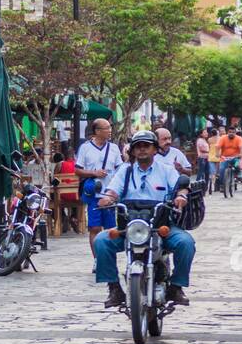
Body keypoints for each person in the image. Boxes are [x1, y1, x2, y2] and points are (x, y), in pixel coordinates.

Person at [93, 130, 195, 311]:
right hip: (130, 227)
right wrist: (107, 198)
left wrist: (181, 197)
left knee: (186, 242)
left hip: (160, 225)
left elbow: (181, 187)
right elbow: (112, 191)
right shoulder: (124, 171)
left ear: (155, 149)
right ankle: (114, 288)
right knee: (101, 241)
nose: (142, 150)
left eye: (146, 146)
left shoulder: (166, 170)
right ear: (132, 151)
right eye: (138, 146)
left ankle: (176, 287)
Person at [75, 118, 124, 262]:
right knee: (94, 228)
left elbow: (119, 169)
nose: (110, 131)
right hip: (93, 195)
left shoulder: (114, 148)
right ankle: (97, 260)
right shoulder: (85, 148)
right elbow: (78, 170)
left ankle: (109, 258)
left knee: (110, 229)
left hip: (109, 195)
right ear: (97, 131)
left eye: (110, 128)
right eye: (107, 128)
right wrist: (94, 173)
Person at [216, 126, 242, 195]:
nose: (231, 134)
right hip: (224, 158)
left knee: (237, 165)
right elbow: (218, 147)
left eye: (233, 132)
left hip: (235, 157)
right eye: (230, 132)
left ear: (235, 133)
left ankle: (237, 175)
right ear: (227, 132)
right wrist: (217, 154)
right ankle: (222, 185)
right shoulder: (223, 138)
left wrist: (241, 154)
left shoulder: (239, 139)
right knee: (221, 169)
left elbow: (240, 148)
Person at [206, 127, 220, 193]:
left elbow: (208, 147)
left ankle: (212, 185)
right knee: (217, 171)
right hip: (218, 156)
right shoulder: (220, 139)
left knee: (212, 173)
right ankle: (217, 185)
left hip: (211, 156)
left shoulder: (209, 140)